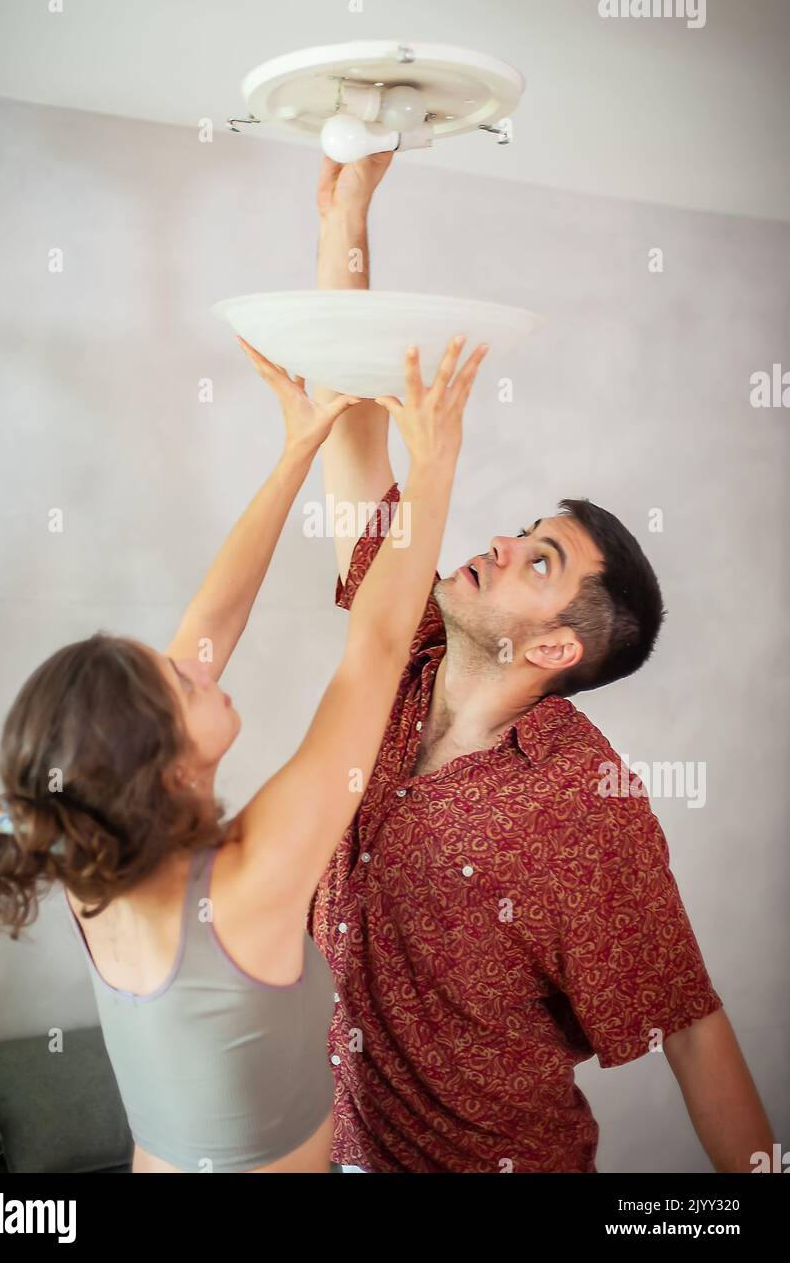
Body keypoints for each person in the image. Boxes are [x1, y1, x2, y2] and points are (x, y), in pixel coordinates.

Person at [309, 152, 774, 1174]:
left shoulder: (584, 803)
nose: (500, 544)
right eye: (522, 529)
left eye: (539, 559)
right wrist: (347, 208)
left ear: (558, 646)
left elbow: (691, 1027)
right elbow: (352, 428)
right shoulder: (400, 650)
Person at [0, 331, 487, 1173]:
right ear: (167, 769)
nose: (200, 669)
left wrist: (297, 450)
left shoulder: (89, 860)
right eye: (181, 687)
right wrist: (435, 461)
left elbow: (209, 626)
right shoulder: (245, 887)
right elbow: (376, 650)